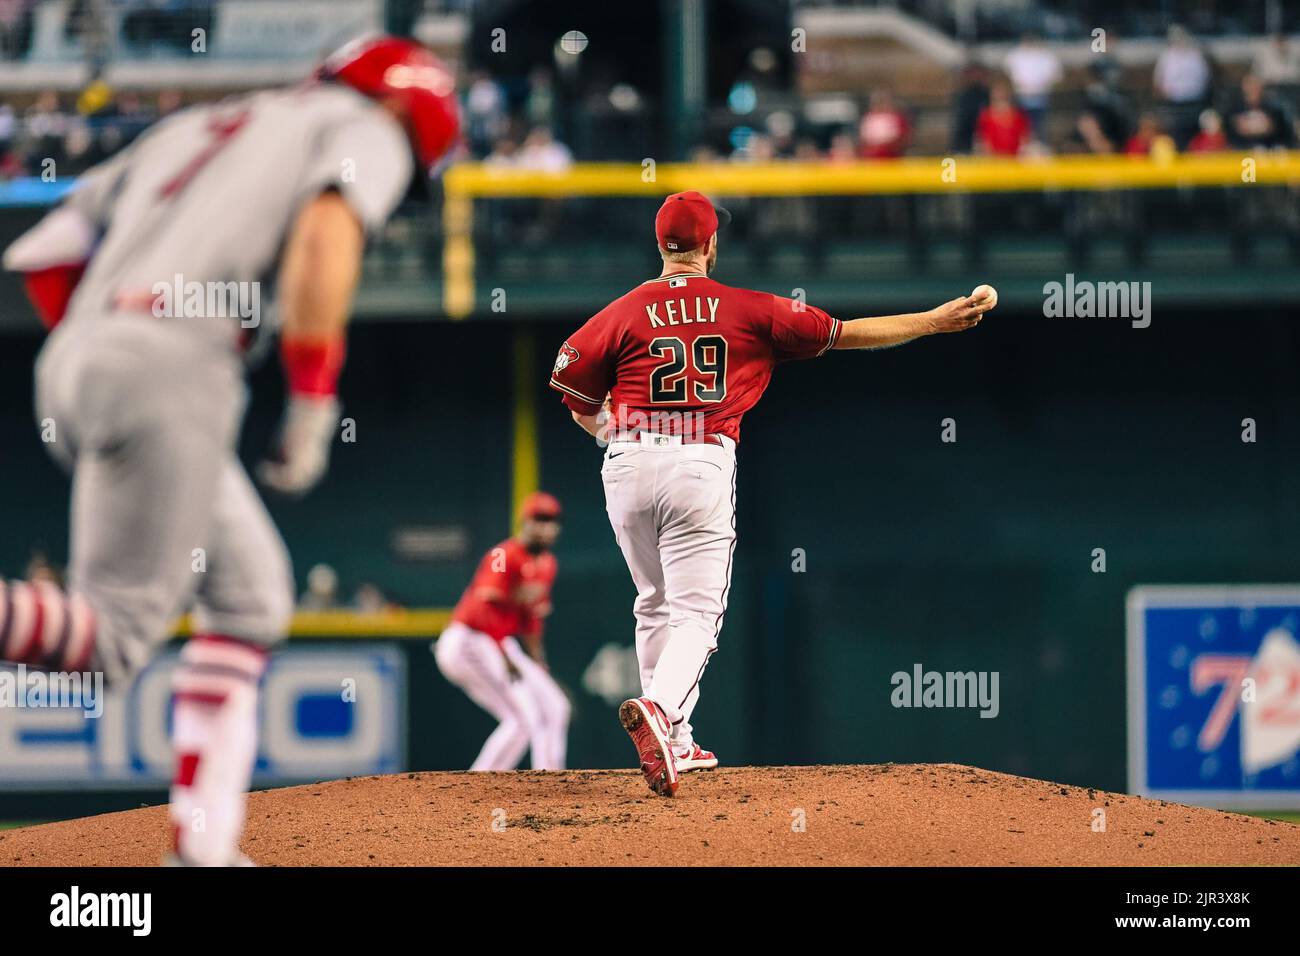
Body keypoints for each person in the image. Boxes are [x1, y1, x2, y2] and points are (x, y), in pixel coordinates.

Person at [0, 35, 459, 865]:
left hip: (76, 350)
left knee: (250, 599)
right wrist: (315, 399)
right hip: (176, 360)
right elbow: (327, 233)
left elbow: (46, 248)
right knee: (105, 649)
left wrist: (103, 353)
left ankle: (204, 850)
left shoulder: (210, 119)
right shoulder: (372, 126)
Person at [548, 192, 996, 796]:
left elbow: (573, 393)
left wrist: (616, 432)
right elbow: (849, 333)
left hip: (626, 461)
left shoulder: (621, 312)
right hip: (698, 459)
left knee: (653, 602)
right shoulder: (747, 308)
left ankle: (674, 741)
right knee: (698, 615)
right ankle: (661, 711)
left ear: (661, 245)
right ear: (711, 245)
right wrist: (934, 321)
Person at [434, 492, 571, 771]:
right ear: (525, 523)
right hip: (469, 639)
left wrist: (538, 662)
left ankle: (552, 778)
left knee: (556, 706)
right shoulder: (503, 554)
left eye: (552, 521)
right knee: (523, 718)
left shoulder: (547, 565)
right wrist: (501, 653)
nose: (546, 527)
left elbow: (532, 620)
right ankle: (479, 785)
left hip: (500, 643)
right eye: (539, 520)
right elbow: (485, 608)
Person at [1003, 32, 1061, 140]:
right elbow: (1008, 74)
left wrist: (1040, 85)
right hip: (1021, 96)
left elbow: (1055, 76)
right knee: (1022, 126)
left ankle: (1040, 144)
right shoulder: (1015, 55)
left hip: (1041, 96)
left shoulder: (1046, 55)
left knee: (1040, 126)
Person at [1226, 73, 1297, 150]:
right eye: (1249, 87)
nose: (1252, 90)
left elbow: (1284, 133)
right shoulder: (1235, 109)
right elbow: (1230, 133)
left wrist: (1270, 126)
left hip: (1269, 150)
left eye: (1255, 87)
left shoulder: (1274, 109)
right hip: (1242, 151)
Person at [976, 80, 1031, 156]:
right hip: (993, 160)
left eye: (1003, 91)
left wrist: (1022, 153)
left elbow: (1024, 139)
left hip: (1014, 159)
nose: (1000, 94)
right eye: (997, 91)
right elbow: (983, 140)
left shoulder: (1018, 115)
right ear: (992, 94)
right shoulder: (986, 116)